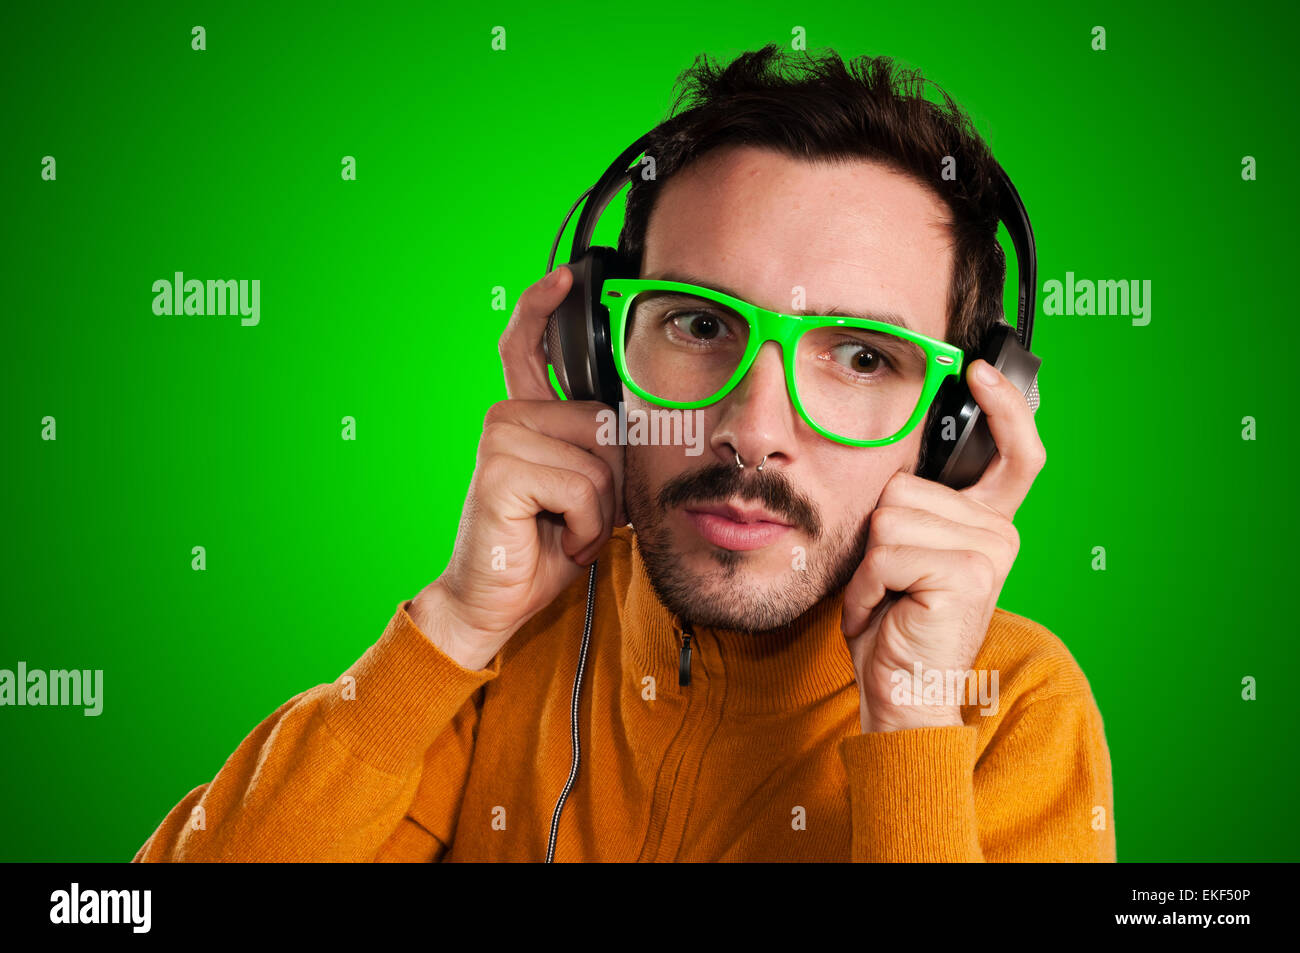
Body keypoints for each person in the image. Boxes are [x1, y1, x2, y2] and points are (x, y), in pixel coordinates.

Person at [135, 45, 1114, 862]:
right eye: (695, 322)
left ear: (958, 425)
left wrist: (912, 727)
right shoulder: (507, 640)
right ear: (594, 357)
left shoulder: (1012, 702)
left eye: (862, 357)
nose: (752, 426)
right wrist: (449, 629)